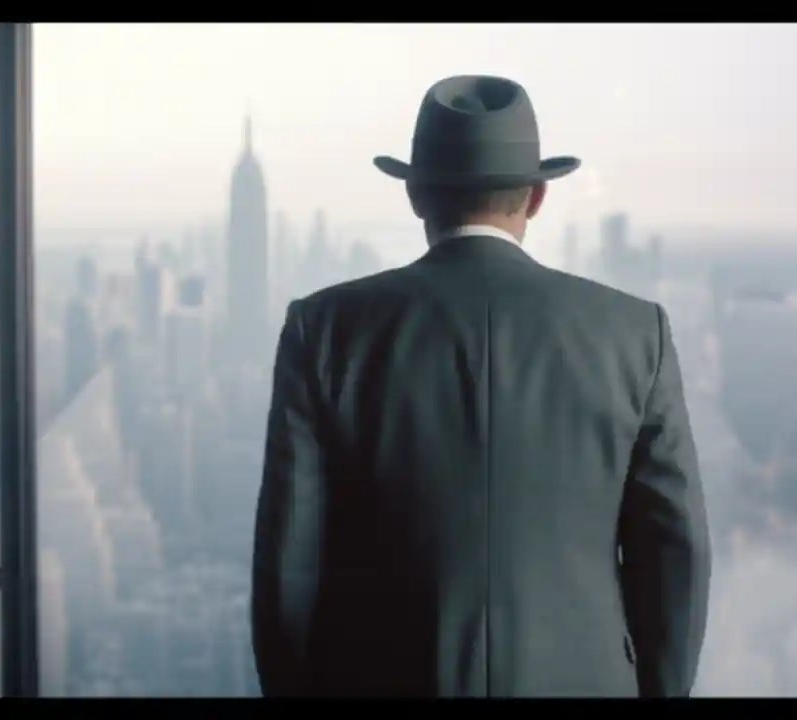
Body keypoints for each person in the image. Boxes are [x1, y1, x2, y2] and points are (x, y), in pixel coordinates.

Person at [250, 74, 711, 698]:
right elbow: (675, 555)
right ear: (538, 197)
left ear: (415, 195)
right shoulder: (634, 334)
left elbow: (287, 568)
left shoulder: (325, 329)